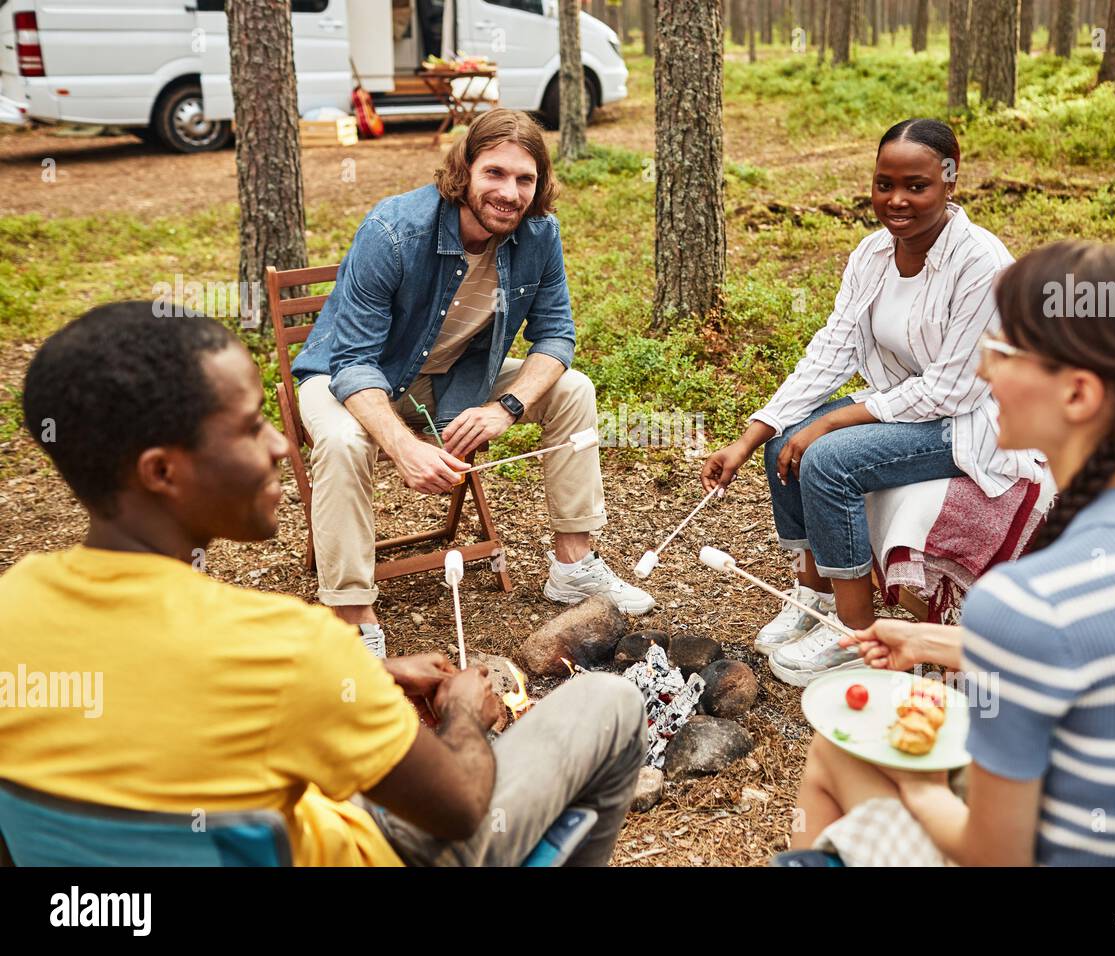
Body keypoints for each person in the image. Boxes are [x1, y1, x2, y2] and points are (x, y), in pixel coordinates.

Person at [1, 303, 646, 867]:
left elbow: (150, 699)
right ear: (162, 471)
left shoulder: (15, 609)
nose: (283, 443)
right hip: (379, 845)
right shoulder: (288, 649)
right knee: (609, 704)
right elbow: (459, 809)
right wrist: (462, 717)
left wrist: (364, 679)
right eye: (252, 425)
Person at [792, 242, 1115, 866]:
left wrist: (916, 781)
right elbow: (1107, 648)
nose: (985, 371)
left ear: (1076, 396)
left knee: (837, 753)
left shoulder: (1025, 603)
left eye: (1003, 350)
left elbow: (997, 857)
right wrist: (940, 643)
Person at [292, 108, 654, 658]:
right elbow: (354, 361)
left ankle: (574, 567)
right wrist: (405, 447)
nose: (509, 192)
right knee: (342, 442)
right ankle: (350, 615)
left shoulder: (538, 233)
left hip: (451, 380)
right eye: (495, 173)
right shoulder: (393, 230)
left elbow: (556, 335)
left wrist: (506, 406)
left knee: (573, 388)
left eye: (525, 179)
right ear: (464, 170)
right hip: (346, 378)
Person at [701, 118, 1044, 686]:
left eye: (917, 185)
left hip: (974, 419)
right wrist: (751, 434)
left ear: (950, 182)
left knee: (828, 458)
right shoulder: (871, 254)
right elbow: (830, 350)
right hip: (903, 403)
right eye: (885, 184)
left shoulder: (981, 262)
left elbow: (952, 389)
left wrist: (834, 421)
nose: (897, 200)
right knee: (785, 440)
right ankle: (813, 599)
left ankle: (855, 634)